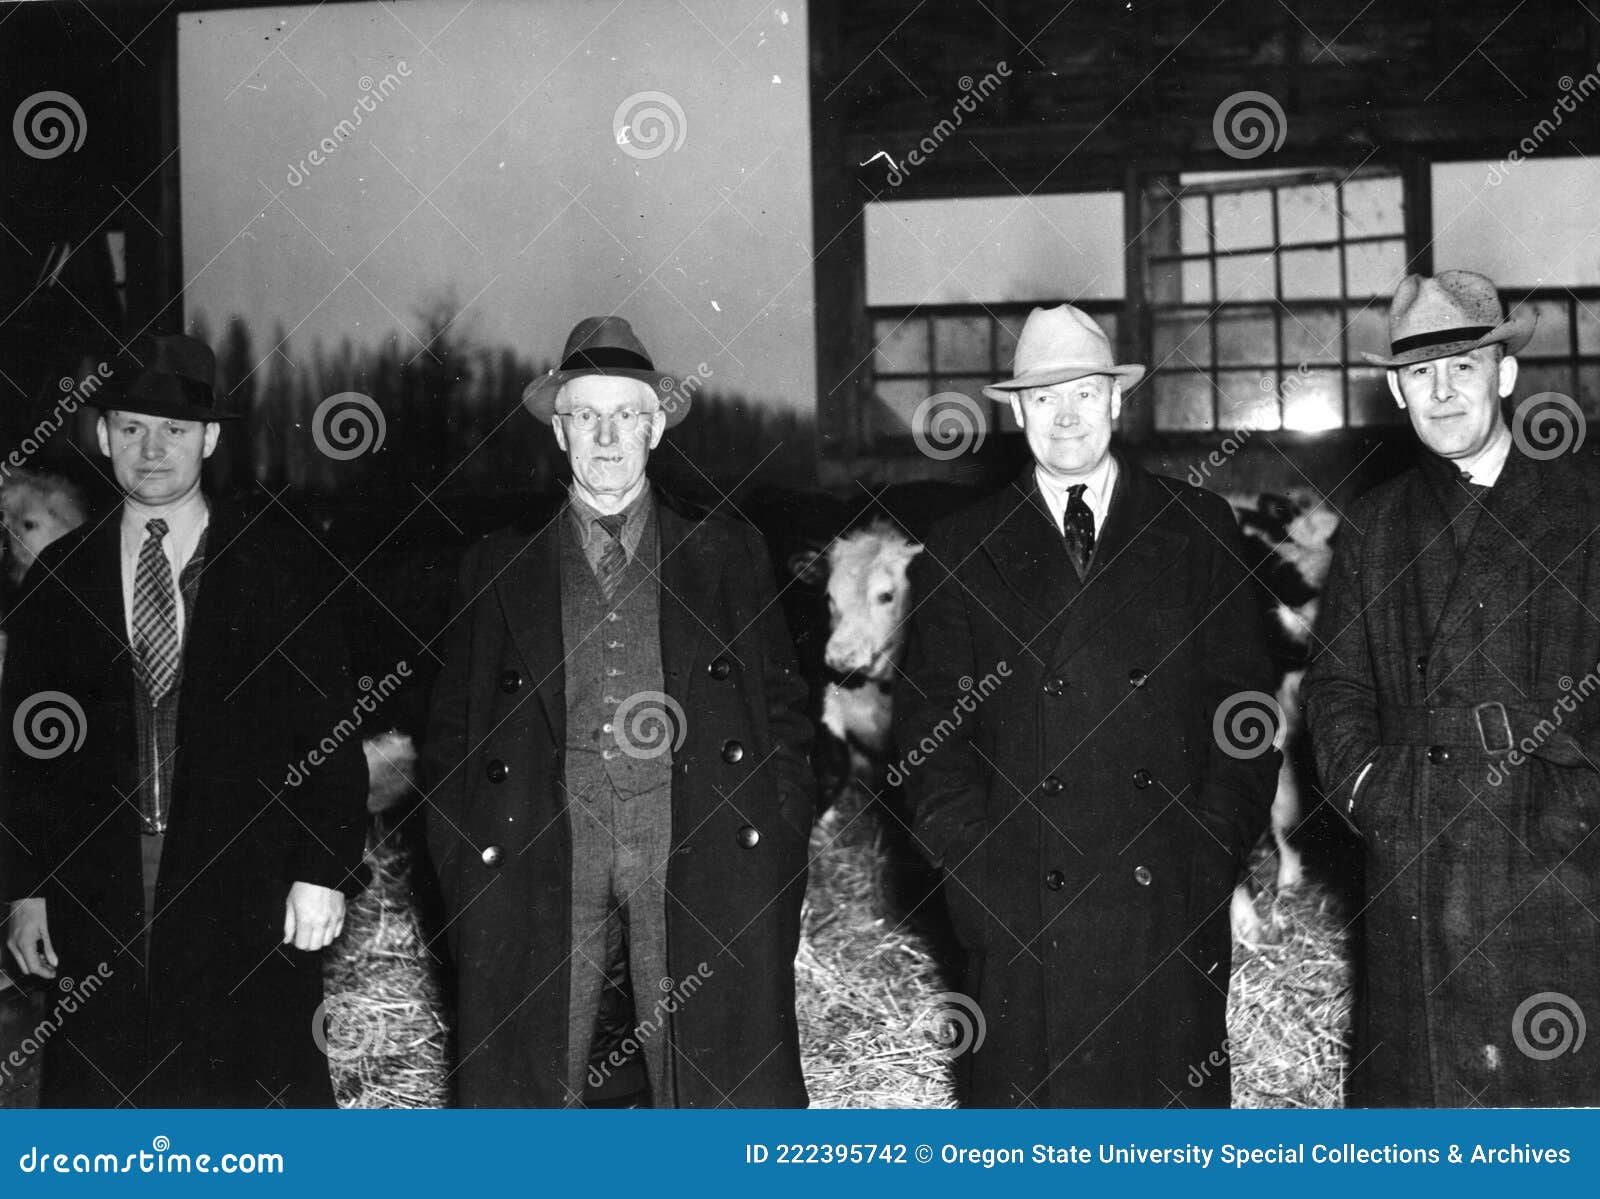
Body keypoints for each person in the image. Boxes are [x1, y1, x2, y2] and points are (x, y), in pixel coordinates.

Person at [895, 304, 1281, 1107]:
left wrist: (1210, 858)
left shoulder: (1198, 528)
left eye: (1083, 392)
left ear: (1117, 400)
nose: (1065, 414)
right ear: (1015, 411)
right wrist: (979, 877)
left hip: (1165, 908)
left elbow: (1246, 712)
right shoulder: (962, 547)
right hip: (1026, 917)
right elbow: (930, 741)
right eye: (1043, 396)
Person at [423, 315, 814, 1107]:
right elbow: (451, 743)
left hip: (695, 829)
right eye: (587, 416)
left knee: (713, 1077)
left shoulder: (730, 553)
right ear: (560, 432)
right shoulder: (497, 564)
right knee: (529, 1083)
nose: (607, 436)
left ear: (656, 426)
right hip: (539, 836)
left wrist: (773, 849)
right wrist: (469, 877)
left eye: (627, 415)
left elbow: (784, 717)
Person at [0, 334, 368, 1107]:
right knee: (107, 1114)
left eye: (173, 429)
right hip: (101, 894)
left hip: (247, 886)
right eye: (131, 428)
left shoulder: (282, 568)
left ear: (211, 438)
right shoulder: (60, 579)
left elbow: (329, 735)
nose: (152, 448)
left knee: (252, 1109)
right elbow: (23, 753)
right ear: (102, 437)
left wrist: (322, 868)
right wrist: (26, 888)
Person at [1303, 270, 1599, 1106]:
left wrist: (1580, 793)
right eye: (1420, 374)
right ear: (1397, 390)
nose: (1441, 393)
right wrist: (1370, 786)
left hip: (1560, 869)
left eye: (1461, 368)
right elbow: (1334, 683)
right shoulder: (1375, 522)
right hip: (1419, 860)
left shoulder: (1584, 507)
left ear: (1503, 375)